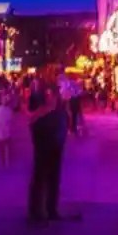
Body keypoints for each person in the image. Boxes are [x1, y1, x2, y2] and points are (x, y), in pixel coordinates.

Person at [28, 64, 73, 225]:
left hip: (57, 131)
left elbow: (65, 106)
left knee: (54, 172)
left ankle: (51, 208)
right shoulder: (38, 88)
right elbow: (32, 113)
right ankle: (36, 211)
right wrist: (49, 106)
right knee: (41, 171)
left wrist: (68, 122)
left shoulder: (59, 88)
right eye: (55, 72)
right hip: (43, 132)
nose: (58, 75)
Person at [0, 84, 17, 168]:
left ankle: (6, 160)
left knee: (6, 142)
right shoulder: (0, 108)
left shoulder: (5, 108)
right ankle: (5, 160)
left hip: (5, 127)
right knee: (3, 143)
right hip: (2, 128)